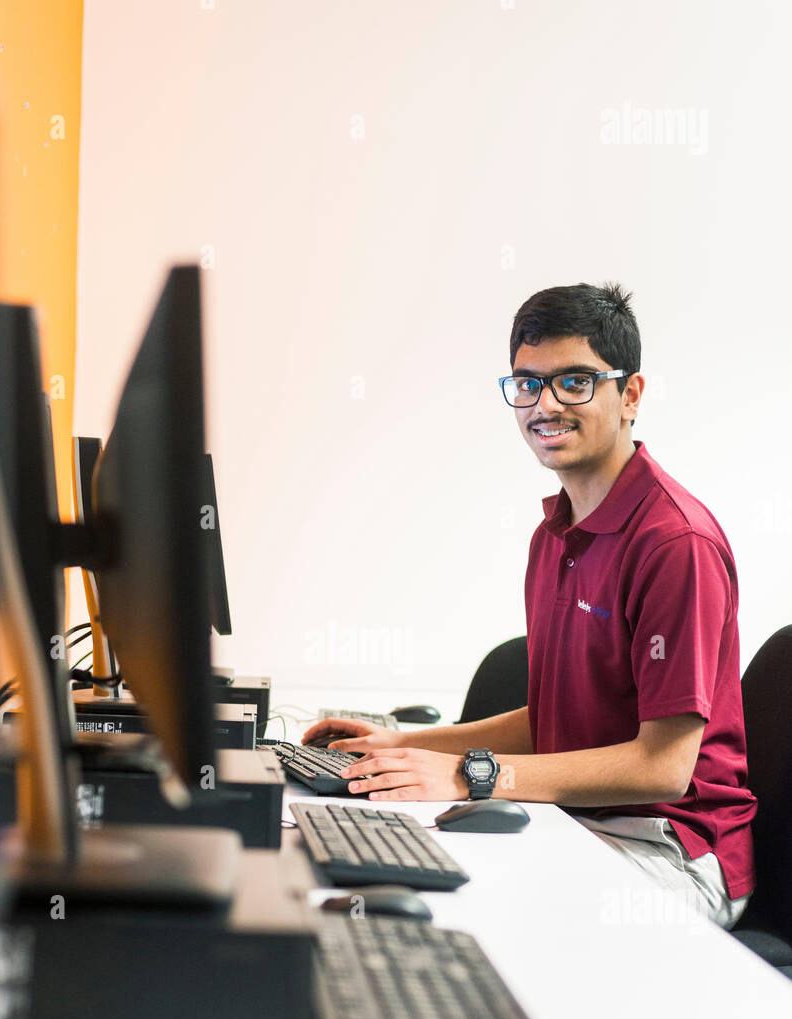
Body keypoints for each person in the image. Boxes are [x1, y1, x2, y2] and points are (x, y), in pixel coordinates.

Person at [302, 282, 756, 929]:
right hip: (579, 824)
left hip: (671, 849)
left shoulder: (673, 543)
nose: (544, 405)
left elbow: (662, 768)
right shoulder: (554, 535)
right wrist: (402, 742)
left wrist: (474, 776)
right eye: (526, 383)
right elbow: (553, 717)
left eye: (573, 382)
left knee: (476, 915)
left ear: (630, 395)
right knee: (396, 877)